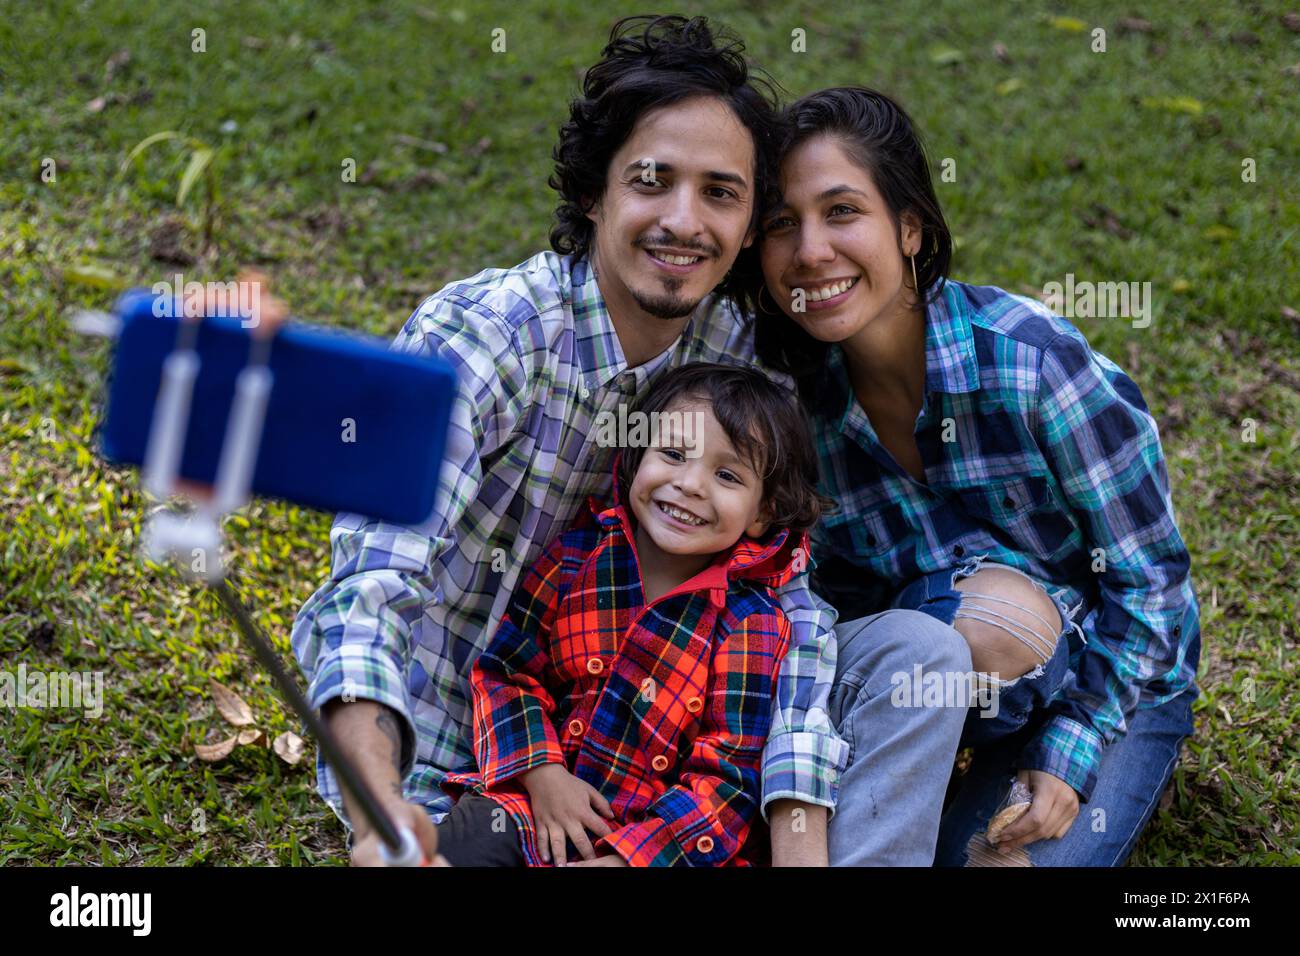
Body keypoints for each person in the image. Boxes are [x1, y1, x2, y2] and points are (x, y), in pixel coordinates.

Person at [289, 15, 851, 867]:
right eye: (652, 181)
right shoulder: (479, 339)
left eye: (721, 193)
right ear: (597, 192)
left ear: (746, 225)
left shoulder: (739, 367)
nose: (683, 221)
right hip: (447, 771)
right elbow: (370, 587)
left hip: (646, 801)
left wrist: (797, 835)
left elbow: (790, 603)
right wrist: (379, 816)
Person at [744, 86, 1201, 865]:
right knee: (960, 637)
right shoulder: (792, 412)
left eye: (842, 211)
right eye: (783, 223)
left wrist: (1073, 744)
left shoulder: (1032, 365)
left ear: (911, 227)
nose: (810, 250)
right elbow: (808, 609)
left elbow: (1152, 583)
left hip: (1113, 680)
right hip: (942, 677)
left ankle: (1104, 761)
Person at [434, 364, 828, 866]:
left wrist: (626, 859)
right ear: (636, 455)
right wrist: (543, 773)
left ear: (762, 514)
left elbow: (727, 779)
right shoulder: (575, 560)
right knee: (459, 849)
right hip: (534, 806)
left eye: (727, 475)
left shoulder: (752, 624)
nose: (689, 484)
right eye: (671, 454)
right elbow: (507, 671)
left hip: (655, 845)